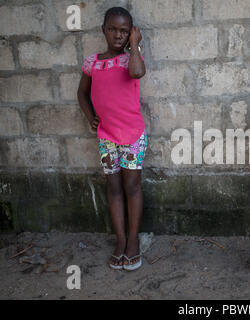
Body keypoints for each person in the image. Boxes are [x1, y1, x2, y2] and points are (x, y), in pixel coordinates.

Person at [77, 7, 147, 271]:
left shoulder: (130, 59)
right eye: (113, 29)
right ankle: (120, 240)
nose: (118, 35)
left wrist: (135, 46)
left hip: (132, 136)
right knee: (114, 188)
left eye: (124, 31)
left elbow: (138, 73)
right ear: (103, 30)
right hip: (106, 136)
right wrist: (90, 117)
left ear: (130, 33)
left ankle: (133, 241)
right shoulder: (92, 63)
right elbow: (82, 93)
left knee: (132, 187)